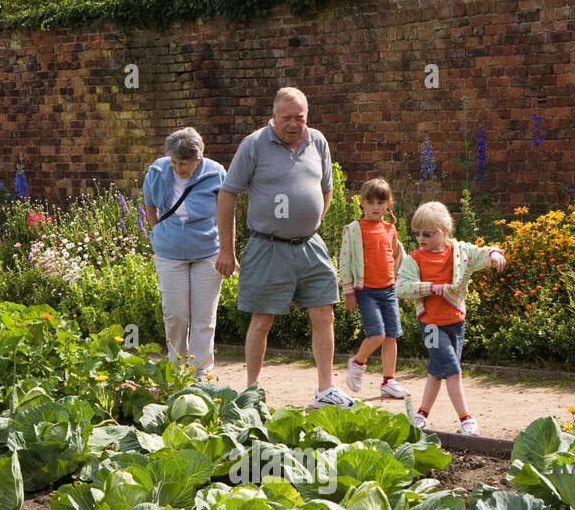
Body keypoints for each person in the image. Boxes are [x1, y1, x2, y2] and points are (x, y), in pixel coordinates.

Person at [215, 86, 353, 408]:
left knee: (324, 313)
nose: (294, 124)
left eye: (300, 118)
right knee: (262, 319)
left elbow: (326, 189)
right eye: (287, 118)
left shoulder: (317, 141)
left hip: (310, 246)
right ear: (274, 116)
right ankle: (252, 391)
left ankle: (325, 390)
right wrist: (227, 249)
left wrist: (309, 220)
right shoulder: (254, 145)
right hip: (268, 246)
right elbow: (227, 195)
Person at [395, 201, 505, 435]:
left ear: (444, 231)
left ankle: (421, 415)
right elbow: (401, 287)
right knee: (453, 371)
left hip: (457, 322)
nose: (420, 238)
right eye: (416, 234)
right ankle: (467, 420)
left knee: (436, 371)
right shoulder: (415, 259)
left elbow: (481, 253)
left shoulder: (459, 251)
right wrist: (432, 288)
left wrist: (494, 253)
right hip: (431, 325)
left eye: (427, 234)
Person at [143, 128, 227, 380]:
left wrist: (227, 250)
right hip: (169, 253)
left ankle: (201, 370)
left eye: (185, 164)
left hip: (207, 252)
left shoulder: (216, 173)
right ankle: (176, 367)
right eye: (175, 162)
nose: (178, 168)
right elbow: (150, 206)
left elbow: (226, 213)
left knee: (204, 315)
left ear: (198, 160)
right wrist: (158, 233)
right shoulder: (157, 171)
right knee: (175, 314)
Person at [339, 177, 410, 399]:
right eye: (370, 203)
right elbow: (345, 261)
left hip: (388, 290)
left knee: (391, 336)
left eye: (380, 202)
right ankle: (358, 362)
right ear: (362, 203)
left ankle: (389, 381)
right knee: (377, 335)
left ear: (388, 204)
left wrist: (401, 282)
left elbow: (397, 257)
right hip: (366, 291)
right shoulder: (354, 229)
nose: (375, 207)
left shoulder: (390, 229)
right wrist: (348, 292)